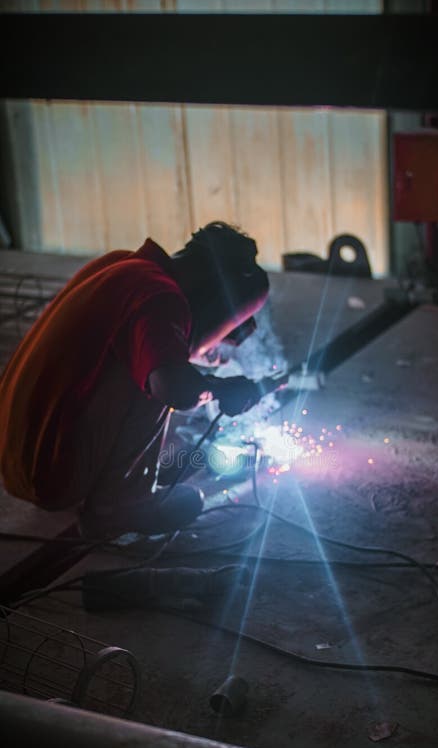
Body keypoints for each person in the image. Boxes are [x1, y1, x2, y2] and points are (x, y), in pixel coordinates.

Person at [0, 222, 269, 539]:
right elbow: (176, 389)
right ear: (215, 293)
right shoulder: (160, 297)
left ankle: (119, 481)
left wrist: (205, 356)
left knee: (155, 363)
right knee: (160, 375)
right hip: (50, 475)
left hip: (16, 459)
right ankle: (121, 506)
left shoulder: (124, 265)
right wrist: (223, 388)